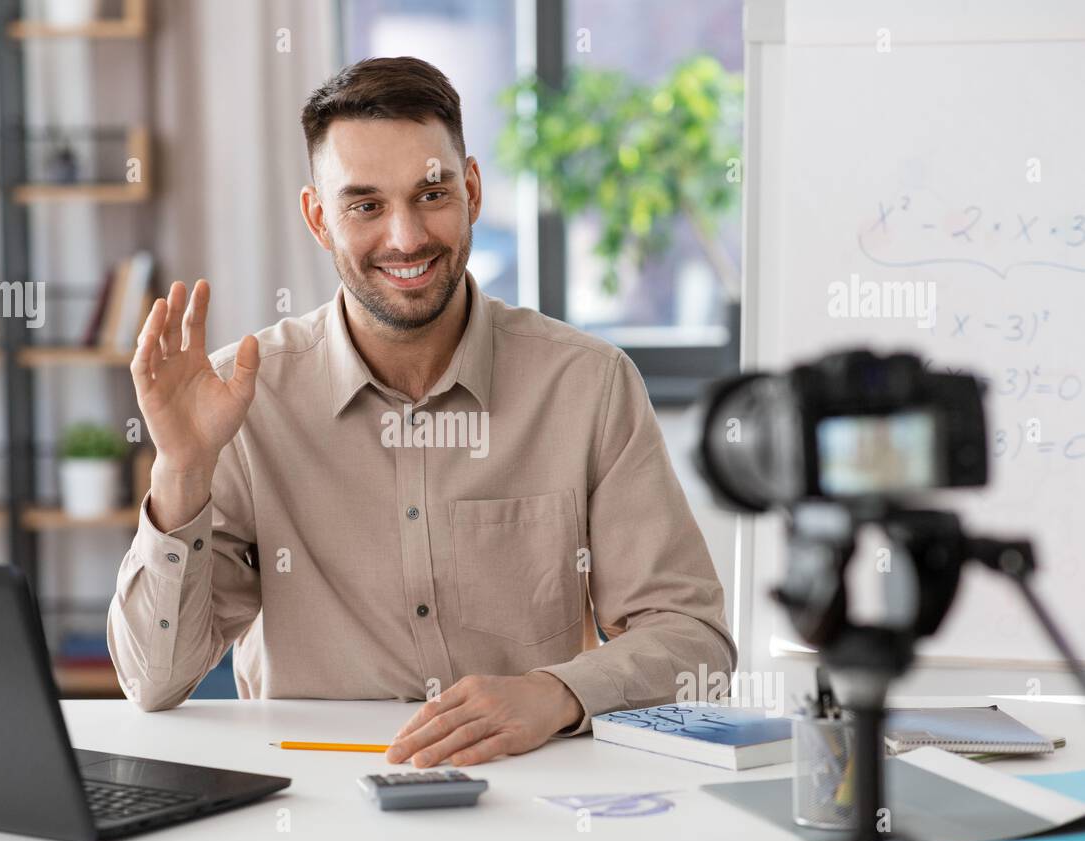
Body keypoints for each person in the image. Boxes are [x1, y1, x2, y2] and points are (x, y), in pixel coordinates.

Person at [109, 56, 735, 769]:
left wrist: (556, 693)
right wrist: (182, 473)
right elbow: (153, 682)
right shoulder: (242, 401)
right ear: (319, 218)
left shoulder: (587, 384)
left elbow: (695, 645)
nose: (406, 238)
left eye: (431, 194)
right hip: (313, 798)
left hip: (529, 791)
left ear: (470, 190)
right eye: (366, 205)